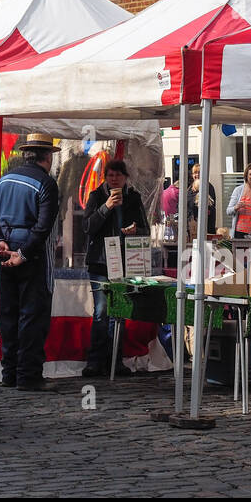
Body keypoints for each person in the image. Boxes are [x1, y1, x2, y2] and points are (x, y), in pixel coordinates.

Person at [0, 133, 60, 392]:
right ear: (47, 157)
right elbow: (43, 227)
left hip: (5, 254)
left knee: (8, 315)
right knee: (32, 317)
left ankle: (9, 373)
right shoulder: (46, 183)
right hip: (31, 257)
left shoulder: (4, 180)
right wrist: (23, 254)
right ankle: (28, 375)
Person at [81, 159, 150, 378]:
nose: (114, 180)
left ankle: (115, 361)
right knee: (101, 311)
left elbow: (145, 229)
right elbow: (88, 227)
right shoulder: (96, 196)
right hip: (100, 261)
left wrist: (134, 229)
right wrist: (106, 207)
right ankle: (95, 361)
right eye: (110, 176)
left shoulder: (134, 197)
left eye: (118, 176)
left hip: (123, 260)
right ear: (105, 178)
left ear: (125, 177)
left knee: (117, 312)